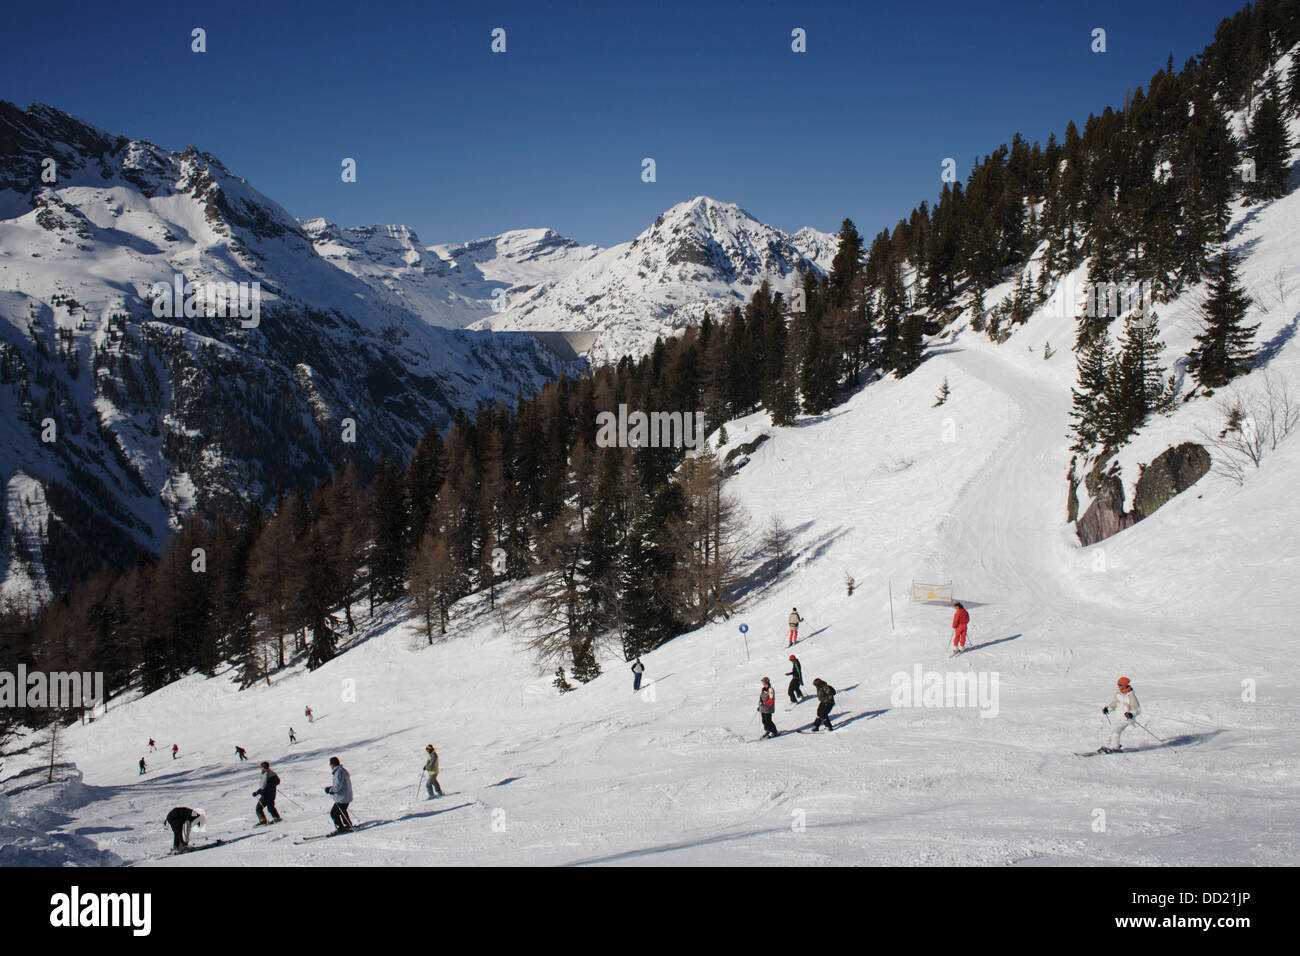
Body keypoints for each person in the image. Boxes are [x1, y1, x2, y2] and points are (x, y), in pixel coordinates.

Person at [1101, 677, 1141, 753]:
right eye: (1118, 684)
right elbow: (1113, 705)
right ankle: (1115, 747)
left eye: (1121, 684)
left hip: (1126, 719)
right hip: (1118, 717)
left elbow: (1137, 709)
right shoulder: (1118, 694)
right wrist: (1107, 709)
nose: (1119, 686)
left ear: (1126, 685)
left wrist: (1131, 714)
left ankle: (1105, 747)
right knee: (1116, 732)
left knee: (1112, 730)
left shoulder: (1131, 696)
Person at [324, 756, 353, 832]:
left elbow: (337, 787)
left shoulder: (338, 772)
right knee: (342, 811)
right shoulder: (342, 770)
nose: (330, 766)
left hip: (342, 797)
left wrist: (329, 790)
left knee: (334, 813)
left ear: (333, 764)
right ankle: (348, 825)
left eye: (330, 765)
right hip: (346, 795)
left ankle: (340, 828)